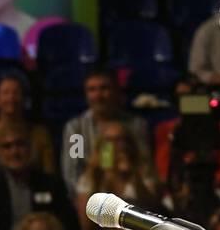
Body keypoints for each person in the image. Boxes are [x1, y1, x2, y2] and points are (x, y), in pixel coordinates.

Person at [59, 66, 153, 204]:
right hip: (90, 199)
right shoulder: (76, 130)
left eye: (104, 88)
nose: (98, 95)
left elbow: (144, 166)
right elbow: (73, 171)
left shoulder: (136, 126)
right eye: (92, 90)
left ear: (116, 91)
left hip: (132, 198)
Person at [74, 118, 158, 230]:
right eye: (109, 140)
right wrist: (99, 179)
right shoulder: (90, 177)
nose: (116, 145)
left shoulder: (143, 173)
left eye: (120, 140)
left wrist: (131, 175)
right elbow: (88, 226)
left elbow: (151, 211)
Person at [0, 74, 56, 186]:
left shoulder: (40, 134)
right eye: (6, 93)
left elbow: (50, 175)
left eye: (16, 93)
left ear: (24, 99)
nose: (11, 98)